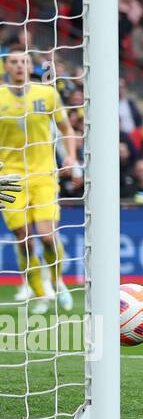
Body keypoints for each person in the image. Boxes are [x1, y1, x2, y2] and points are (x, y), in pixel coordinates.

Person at [0, 51, 78, 313]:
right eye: (14, 61)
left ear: (30, 66)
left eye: (24, 61)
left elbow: (67, 128)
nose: (20, 66)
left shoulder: (47, 95)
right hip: (7, 176)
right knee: (23, 237)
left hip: (44, 174)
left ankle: (57, 281)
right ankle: (39, 291)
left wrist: (70, 156)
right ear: (6, 66)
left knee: (46, 235)